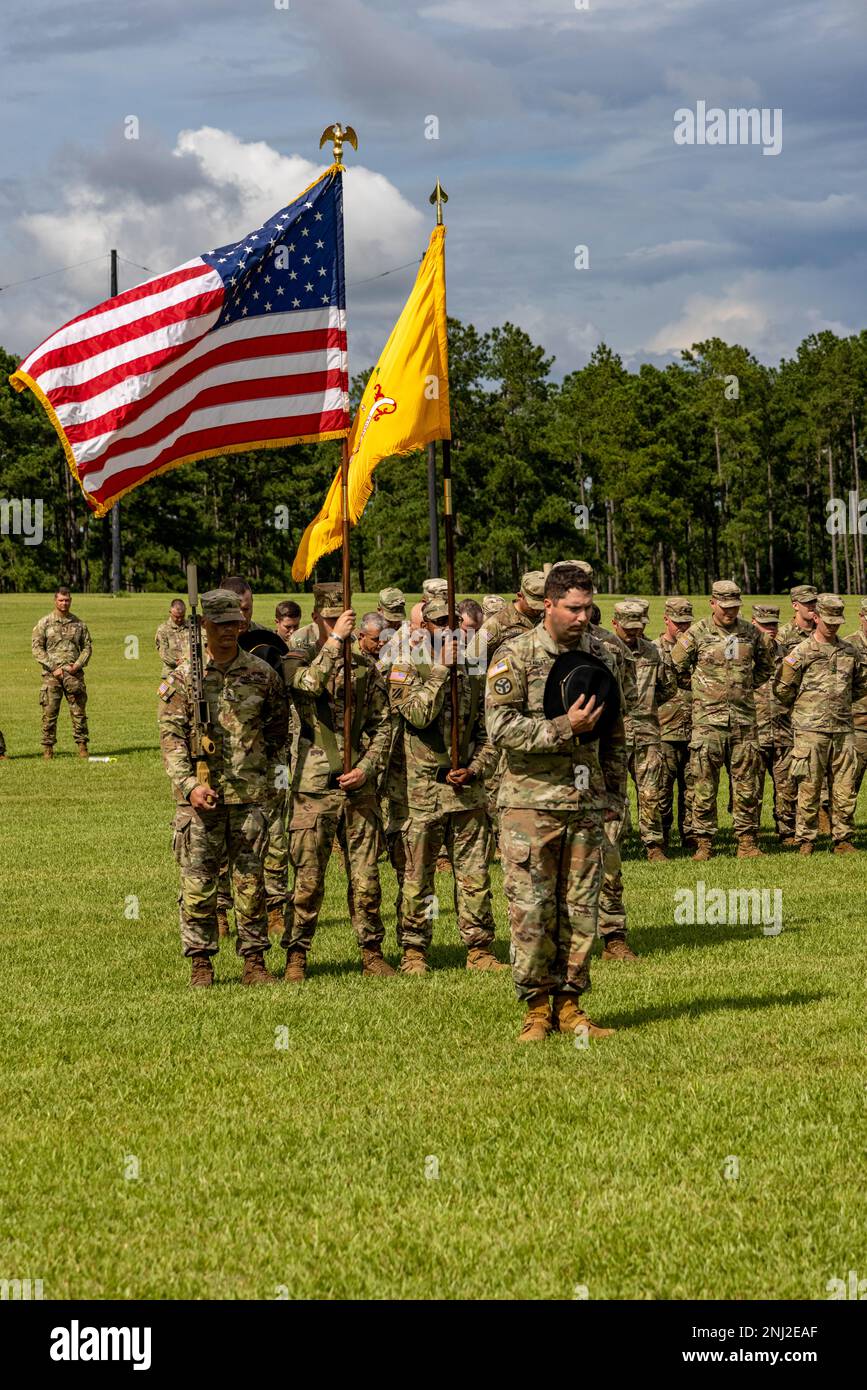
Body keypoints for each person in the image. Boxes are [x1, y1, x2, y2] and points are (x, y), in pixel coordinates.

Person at [485, 563, 626, 1043]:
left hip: (586, 805)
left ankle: (572, 1007)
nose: (583, 617)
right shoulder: (516, 655)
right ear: (548, 604)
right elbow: (500, 728)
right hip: (529, 805)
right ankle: (536, 1010)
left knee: (580, 910)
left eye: (588, 607)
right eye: (573, 608)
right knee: (531, 910)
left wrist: (614, 796)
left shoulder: (603, 654)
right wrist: (565, 727)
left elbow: (615, 734)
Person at [158, 589, 289, 987]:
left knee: (251, 885)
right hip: (199, 799)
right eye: (220, 624)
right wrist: (188, 784)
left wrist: (268, 783)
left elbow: (277, 730)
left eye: (234, 623)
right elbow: (171, 737)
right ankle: (201, 963)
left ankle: (254, 961)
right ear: (204, 626)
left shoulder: (262, 674)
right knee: (198, 883)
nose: (229, 631)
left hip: (249, 798)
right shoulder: (183, 678)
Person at [281, 583, 394, 981]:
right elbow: (309, 685)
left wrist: (368, 766)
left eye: (340, 620)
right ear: (316, 620)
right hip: (313, 786)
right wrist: (336, 643)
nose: (336, 627)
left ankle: (372, 952)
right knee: (308, 880)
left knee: (366, 879)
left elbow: (384, 725)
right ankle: (297, 956)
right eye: (329, 621)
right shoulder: (298, 657)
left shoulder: (366, 667)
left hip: (358, 785)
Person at [387, 596, 504, 974]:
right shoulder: (406, 666)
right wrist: (440, 671)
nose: (446, 629)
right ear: (425, 627)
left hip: (466, 790)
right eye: (439, 622)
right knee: (418, 876)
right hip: (423, 793)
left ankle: (480, 948)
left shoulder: (473, 672)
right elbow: (418, 715)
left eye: (453, 623)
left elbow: (490, 734)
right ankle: (414, 951)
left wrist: (475, 767)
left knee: (474, 876)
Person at [670, 580, 775, 861]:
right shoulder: (697, 633)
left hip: (743, 722)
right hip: (707, 723)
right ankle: (704, 843)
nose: (730, 612)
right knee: (703, 785)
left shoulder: (751, 633)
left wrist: (744, 689)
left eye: (734, 607)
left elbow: (766, 667)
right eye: (725, 606)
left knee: (746, 785)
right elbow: (676, 666)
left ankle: (747, 842)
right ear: (713, 603)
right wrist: (701, 692)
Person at [773, 593, 867, 854]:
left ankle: (843, 839)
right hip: (810, 730)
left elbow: (859, 686)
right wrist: (806, 710)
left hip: (842, 729)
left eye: (838, 620)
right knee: (809, 787)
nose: (834, 625)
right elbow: (782, 689)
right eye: (829, 620)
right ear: (816, 617)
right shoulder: (801, 652)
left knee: (845, 788)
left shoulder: (850, 651)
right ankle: (806, 840)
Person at [611, 598, 676, 861]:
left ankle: (653, 845)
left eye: (638, 627)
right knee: (614, 793)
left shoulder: (652, 652)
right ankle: (614, 844)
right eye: (628, 628)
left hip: (647, 733)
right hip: (614, 735)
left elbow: (667, 687)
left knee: (651, 791)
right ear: (615, 623)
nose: (634, 632)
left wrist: (646, 707)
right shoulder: (603, 650)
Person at [751, 603, 797, 844]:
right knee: (750, 788)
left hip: (783, 730)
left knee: (788, 786)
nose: (770, 630)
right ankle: (750, 833)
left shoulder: (788, 654)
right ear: (753, 624)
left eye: (773, 625)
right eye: (764, 625)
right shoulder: (743, 655)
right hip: (753, 732)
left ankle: (787, 831)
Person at [32, 586, 93, 759]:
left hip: (74, 675)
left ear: (71, 601)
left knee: (79, 712)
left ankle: (82, 747)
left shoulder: (79, 624)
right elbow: (37, 648)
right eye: (61, 600)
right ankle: (48, 749)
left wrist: (77, 665)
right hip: (52, 676)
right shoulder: (44, 623)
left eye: (67, 600)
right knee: (49, 713)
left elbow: (87, 647)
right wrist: (53, 668)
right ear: (55, 601)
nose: (64, 603)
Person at [655, 597, 695, 849]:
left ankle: (691, 835)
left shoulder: (697, 648)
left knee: (693, 789)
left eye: (686, 622)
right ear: (666, 620)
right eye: (677, 622)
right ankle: (663, 835)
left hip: (694, 728)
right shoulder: (654, 650)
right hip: (664, 730)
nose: (682, 627)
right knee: (662, 789)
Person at [843, 597, 867, 801]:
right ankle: (835, 827)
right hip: (859, 726)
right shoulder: (849, 646)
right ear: (861, 617)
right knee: (849, 784)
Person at [155, 599, 190, 678]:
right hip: (171, 673)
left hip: (190, 672)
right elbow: (163, 653)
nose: (180, 619)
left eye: (182, 616)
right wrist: (177, 662)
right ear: (170, 613)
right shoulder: (163, 629)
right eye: (177, 617)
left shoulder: (191, 627)